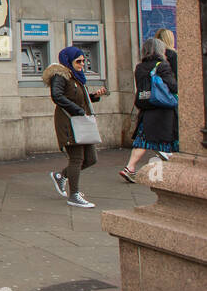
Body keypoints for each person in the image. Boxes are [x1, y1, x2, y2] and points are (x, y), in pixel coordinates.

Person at [45, 47, 109, 207]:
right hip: (69, 122)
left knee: (91, 159)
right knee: (77, 158)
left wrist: (94, 96)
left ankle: (61, 176)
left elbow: (78, 97)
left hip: (81, 121)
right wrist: (77, 110)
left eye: (83, 60)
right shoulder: (61, 75)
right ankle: (74, 195)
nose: (82, 64)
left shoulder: (77, 78)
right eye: (78, 61)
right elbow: (57, 96)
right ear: (69, 61)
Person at [120, 38, 179, 182]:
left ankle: (130, 167)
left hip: (146, 108)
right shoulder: (162, 65)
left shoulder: (140, 67)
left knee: (143, 139)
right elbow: (173, 86)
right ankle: (169, 171)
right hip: (162, 108)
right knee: (165, 139)